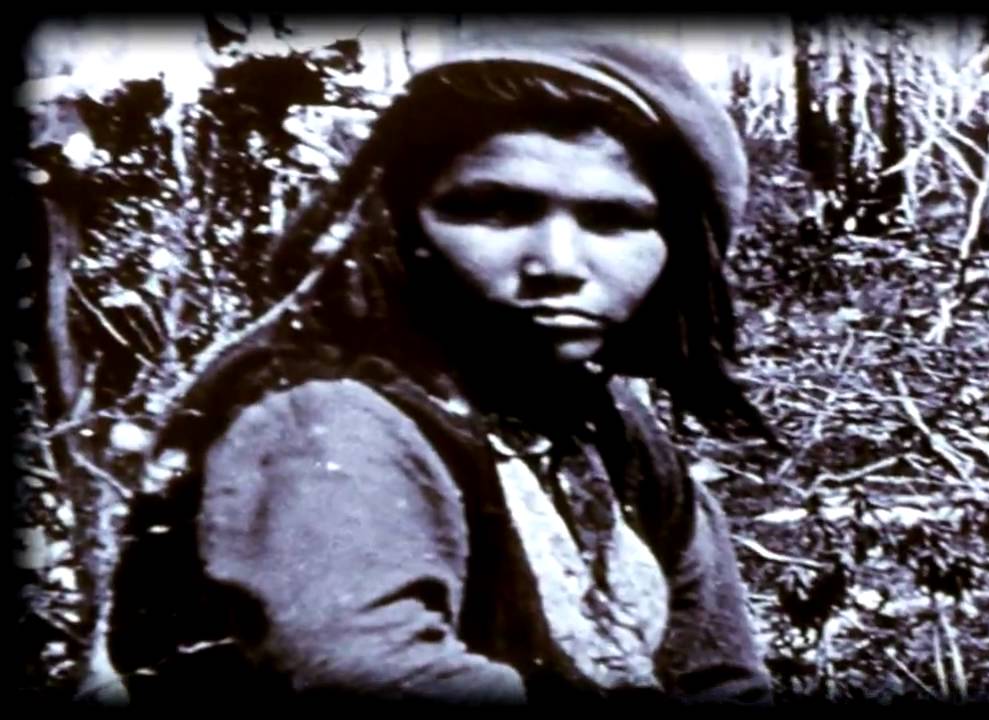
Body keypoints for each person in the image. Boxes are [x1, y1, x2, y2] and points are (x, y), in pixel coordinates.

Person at [107, 31, 775, 706]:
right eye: (494, 209)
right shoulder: (324, 416)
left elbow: (719, 675)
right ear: (400, 222)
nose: (557, 265)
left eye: (614, 221)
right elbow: (372, 675)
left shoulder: (602, 426)